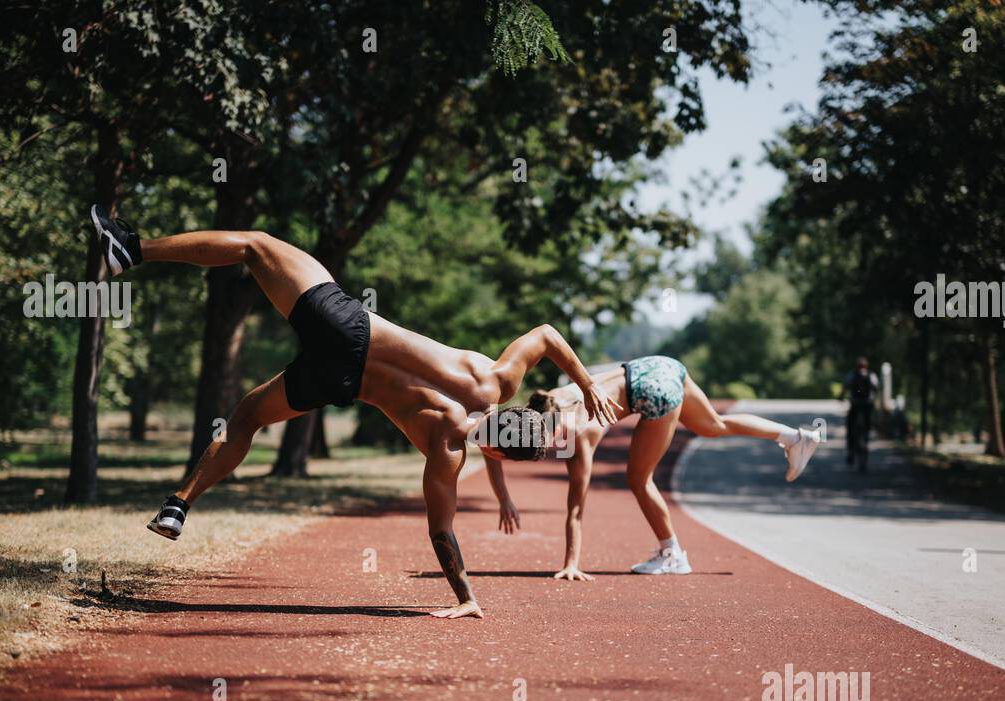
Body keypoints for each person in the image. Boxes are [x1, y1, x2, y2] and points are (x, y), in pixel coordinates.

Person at [89, 204, 620, 619]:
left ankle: (131, 250)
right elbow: (442, 533)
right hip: (340, 381)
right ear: (500, 448)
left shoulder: (498, 379)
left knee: (255, 246)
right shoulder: (448, 452)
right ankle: (178, 506)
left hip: (350, 328)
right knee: (247, 415)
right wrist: (466, 596)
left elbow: (547, 334)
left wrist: (587, 383)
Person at [482, 355, 821, 579]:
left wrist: (571, 563)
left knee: (639, 478)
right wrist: (502, 495)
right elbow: (496, 442)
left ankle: (672, 553)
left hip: (650, 391)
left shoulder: (578, 435)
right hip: (658, 366)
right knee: (713, 425)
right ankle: (794, 437)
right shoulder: (547, 400)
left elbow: (576, 507)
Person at [842, 356, 879, 472]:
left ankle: (850, 452)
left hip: (855, 405)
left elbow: (844, 388)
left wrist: (840, 396)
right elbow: (876, 388)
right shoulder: (871, 375)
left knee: (850, 428)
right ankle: (866, 442)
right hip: (868, 406)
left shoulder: (852, 375)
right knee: (867, 429)